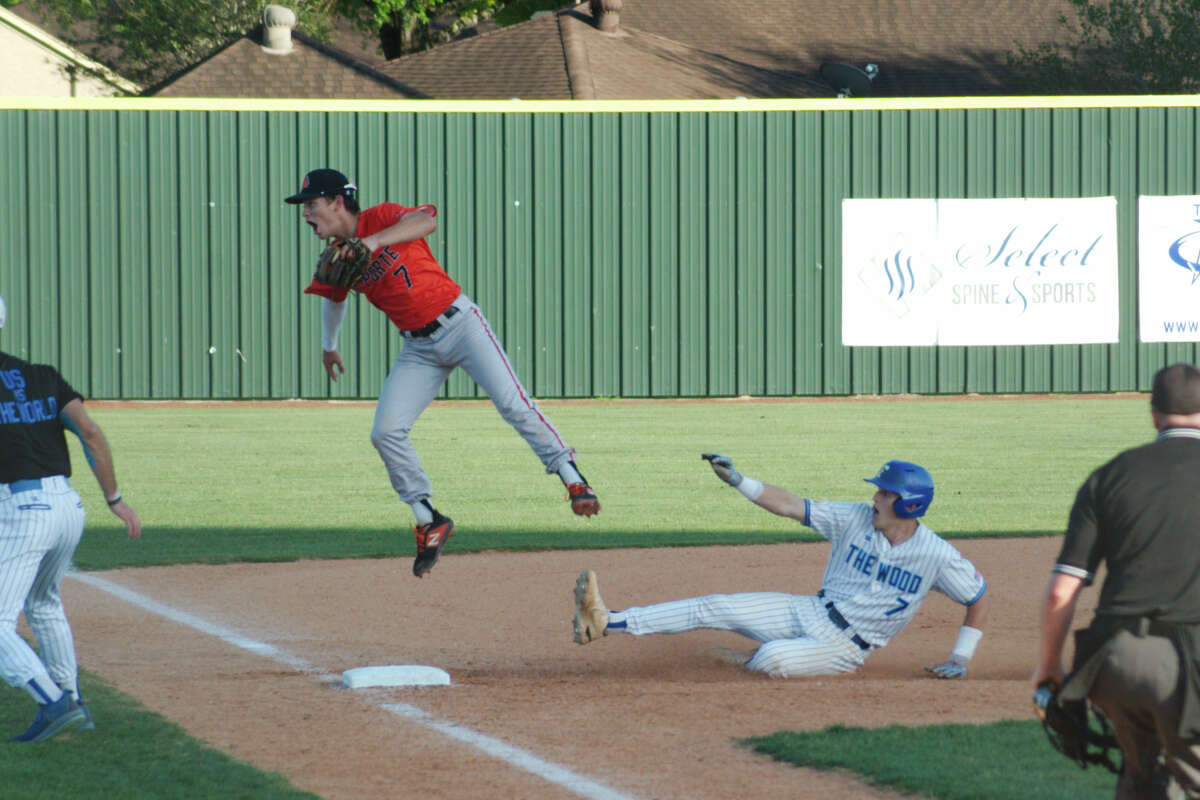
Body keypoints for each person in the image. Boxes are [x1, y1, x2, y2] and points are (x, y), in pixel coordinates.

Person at [285, 168, 600, 579]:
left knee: (513, 404)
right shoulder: (340, 253)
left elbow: (427, 219)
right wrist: (329, 346)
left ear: (337, 202)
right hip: (419, 347)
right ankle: (427, 517)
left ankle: (574, 480)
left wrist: (373, 241)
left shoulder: (380, 218)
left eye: (311, 204)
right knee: (385, 432)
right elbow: (334, 296)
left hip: (461, 325)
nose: (305, 214)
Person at [573, 454, 988, 678]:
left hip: (843, 649)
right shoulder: (855, 518)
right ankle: (608, 622)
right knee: (716, 605)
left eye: (885, 493)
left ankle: (752, 658)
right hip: (808, 609)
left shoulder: (938, 556)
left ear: (909, 504)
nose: (876, 498)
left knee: (773, 660)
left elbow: (977, 597)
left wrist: (962, 657)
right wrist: (741, 481)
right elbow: (792, 506)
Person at [1032, 362, 1200, 798]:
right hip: (1193, 662)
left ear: (1154, 413)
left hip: (1116, 661)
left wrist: (1050, 666)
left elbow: (1060, 591)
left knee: (1144, 777)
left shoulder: (1110, 476)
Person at [0, 293, 141, 742]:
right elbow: (91, 433)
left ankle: (53, 703)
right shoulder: (42, 374)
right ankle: (73, 701)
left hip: (22, 510)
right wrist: (115, 498)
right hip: (67, 507)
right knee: (43, 604)